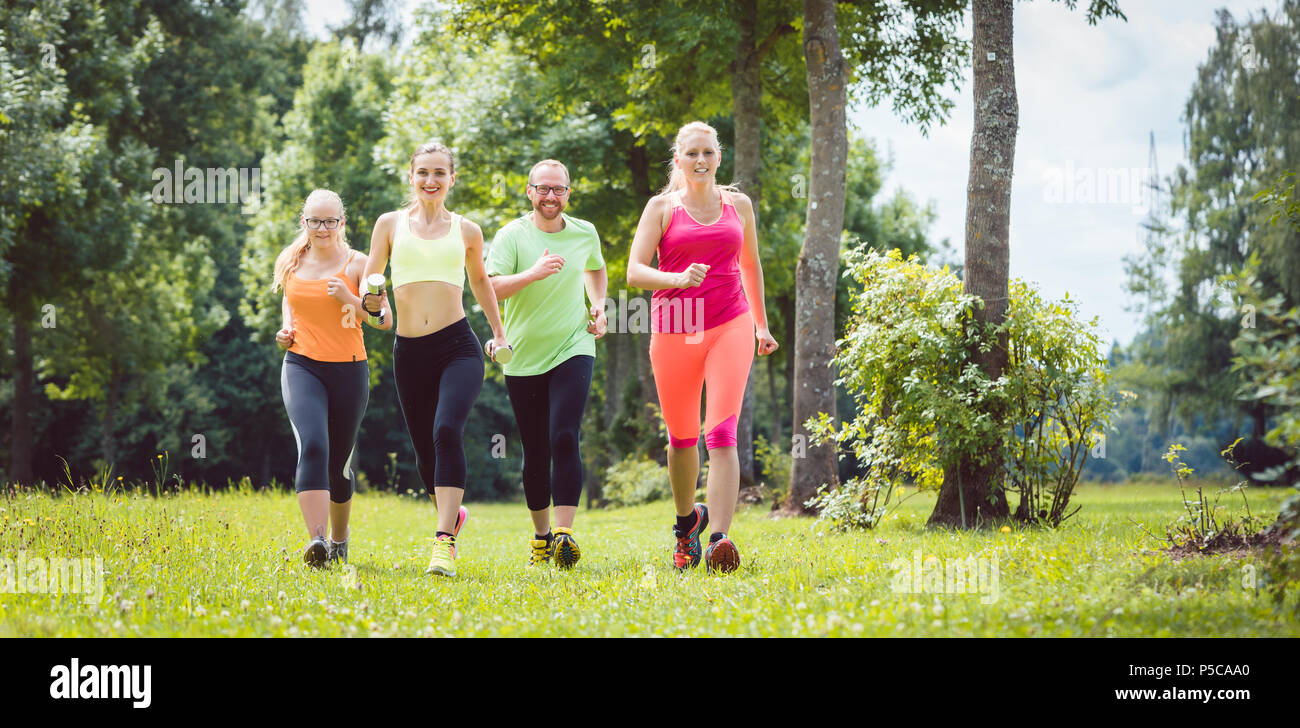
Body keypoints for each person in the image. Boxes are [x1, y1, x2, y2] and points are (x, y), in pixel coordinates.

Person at [627, 121, 779, 573]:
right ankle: (686, 524)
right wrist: (675, 278)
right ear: (679, 159)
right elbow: (634, 271)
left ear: (719, 156)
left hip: (730, 322)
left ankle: (719, 541)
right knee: (682, 438)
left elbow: (750, 266)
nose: (700, 160)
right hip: (675, 325)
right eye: (691, 153)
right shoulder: (661, 207)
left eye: (708, 153)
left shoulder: (740, 206)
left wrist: (761, 324)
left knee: (721, 434)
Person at [361, 141, 509, 578]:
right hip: (409, 352)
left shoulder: (467, 230)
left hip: (457, 347)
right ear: (411, 176)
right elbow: (373, 284)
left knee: (447, 430)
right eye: (423, 172)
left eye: (439, 173)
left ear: (452, 179)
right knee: (426, 452)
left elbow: (481, 282)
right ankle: (453, 514)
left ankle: (443, 543)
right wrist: (372, 301)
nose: (431, 181)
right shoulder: (389, 225)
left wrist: (498, 332)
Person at [486, 159, 607, 568]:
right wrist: (534, 273)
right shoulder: (512, 236)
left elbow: (596, 267)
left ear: (568, 193)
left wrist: (600, 307)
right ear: (529, 191)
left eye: (559, 189)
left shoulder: (584, 232)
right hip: (523, 357)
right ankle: (541, 537)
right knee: (535, 449)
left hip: (574, 346)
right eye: (544, 188)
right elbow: (492, 286)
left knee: (564, 435)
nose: (551, 196)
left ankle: (565, 534)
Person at [274, 189, 387, 568]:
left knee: (338, 465)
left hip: (349, 370)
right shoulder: (291, 261)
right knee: (314, 445)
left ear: (342, 223)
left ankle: (339, 540)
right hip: (302, 365)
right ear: (304, 222)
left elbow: (384, 320)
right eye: (314, 221)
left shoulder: (360, 265)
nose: (322, 228)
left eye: (330, 221)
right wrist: (286, 329)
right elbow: (291, 303)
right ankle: (317, 541)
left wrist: (350, 300)